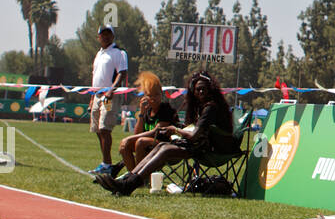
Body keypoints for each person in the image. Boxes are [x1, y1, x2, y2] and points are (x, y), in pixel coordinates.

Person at [94, 71, 233, 196]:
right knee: (162, 147)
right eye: (197, 89)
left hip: (210, 150)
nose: (201, 92)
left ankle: (128, 184)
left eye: (204, 88)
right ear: (192, 91)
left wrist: (174, 129)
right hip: (198, 146)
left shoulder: (210, 108)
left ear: (211, 89)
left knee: (164, 148)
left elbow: (194, 135)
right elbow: (192, 130)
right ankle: (128, 181)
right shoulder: (200, 107)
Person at [114, 71, 179, 176]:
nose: (153, 98)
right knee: (124, 145)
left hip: (166, 147)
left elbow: (156, 132)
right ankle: (132, 176)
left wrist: (129, 138)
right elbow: (137, 133)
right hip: (149, 145)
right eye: (150, 95)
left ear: (161, 94)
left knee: (140, 142)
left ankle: (140, 178)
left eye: (156, 95)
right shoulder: (146, 111)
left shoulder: (166, 109)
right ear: (145, 96)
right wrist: (141, 114)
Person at [88, 26, 129, 175]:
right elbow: (95, 77)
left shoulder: (119, 52)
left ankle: (107, 164)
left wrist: (112, 89)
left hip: (109, 95)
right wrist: (92, 98)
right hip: (97, 95)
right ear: (98, 37)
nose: (105, 37)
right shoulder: (99, 54)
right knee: (98, 129)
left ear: (112, 36)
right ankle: (105, 162)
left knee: (105, 128)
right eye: (102, 34)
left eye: (108, 34)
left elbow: (122, 73)